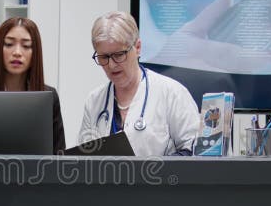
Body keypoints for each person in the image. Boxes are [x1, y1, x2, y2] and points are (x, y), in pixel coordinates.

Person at [79, 11, 199, 156]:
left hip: (161, 178)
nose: (111, 65)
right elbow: (85, 161)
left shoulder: (172, 94)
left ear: (137, 48)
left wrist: (155, 172)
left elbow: (193, 152)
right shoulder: (94, 101)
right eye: (104, 57)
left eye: (119, 55)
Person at [0, 17, 66, 154]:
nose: (17, 52)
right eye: (9, 44)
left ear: (35, 52)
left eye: (26, 46)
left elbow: (58, 156)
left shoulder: (48, 97)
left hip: (34, 174)